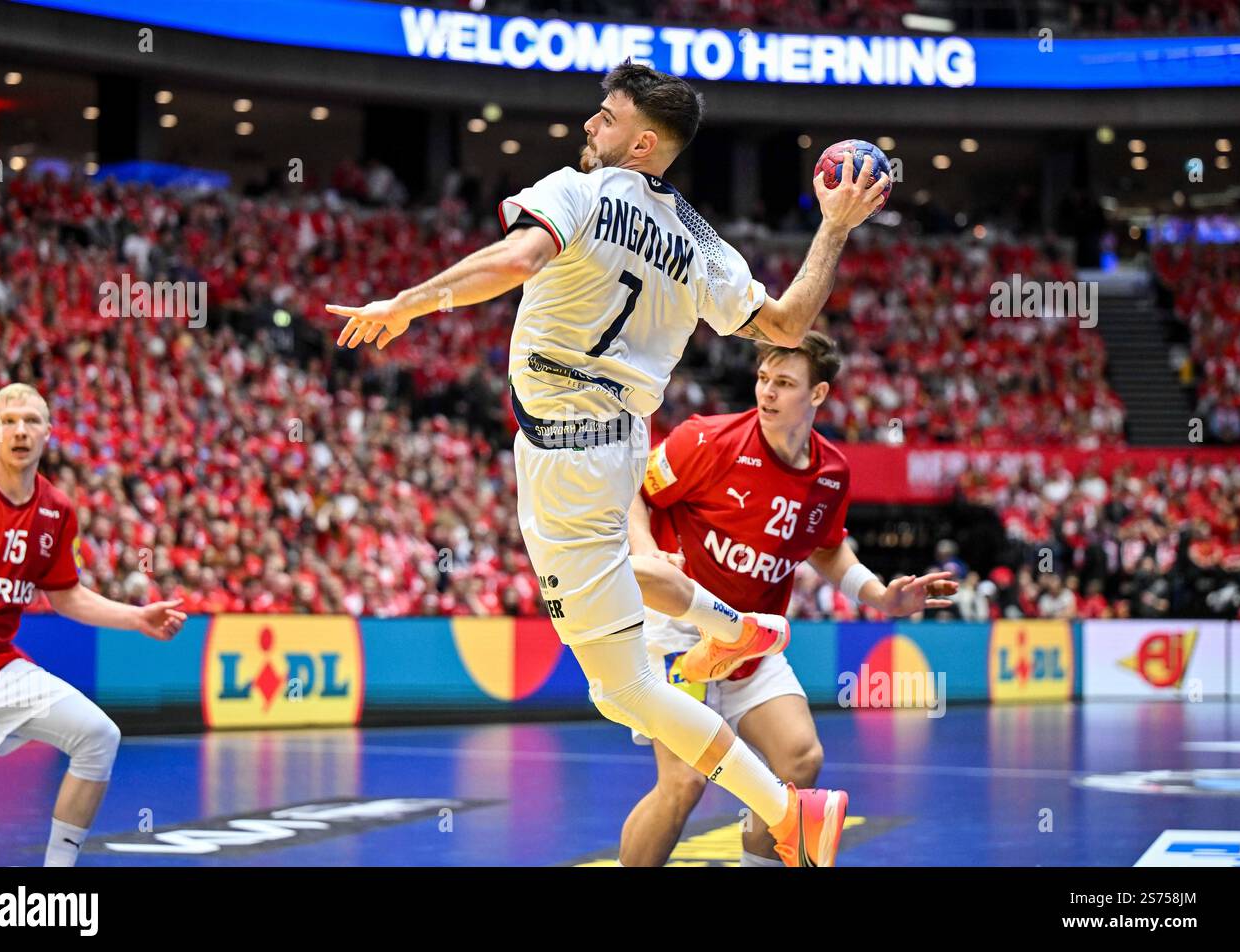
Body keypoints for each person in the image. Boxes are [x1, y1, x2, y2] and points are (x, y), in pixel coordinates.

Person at [330, 62, 887, 866]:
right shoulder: (699, 239)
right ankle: (732, 629)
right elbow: (789, 323)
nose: (590, 124)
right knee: (637, 601)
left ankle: (786, 805)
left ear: (644, 143)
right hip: (620, 446)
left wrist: (405, 304)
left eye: (607, 115)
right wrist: (833, 227)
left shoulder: (579, 191)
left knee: (626, 691)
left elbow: (516, 261)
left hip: (568, 458)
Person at [620, 334, 956, 866]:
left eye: (784, 382)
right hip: (680, 632)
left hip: (751, 638)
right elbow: (634, 491)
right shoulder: (707, 440)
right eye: (763, 379)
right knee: (683, 782)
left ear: (817, 394)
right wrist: (646, 552)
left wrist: (880, 597)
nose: (767, 392)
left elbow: (826, 548)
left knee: (800, 760)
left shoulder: (831, 474)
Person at [0, 384, 185, 866]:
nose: (20, 430)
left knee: (98, 736)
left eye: (31, 421)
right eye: (9, 421)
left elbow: (66, 596)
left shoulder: (56, 511)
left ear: (48, 434)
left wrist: (136, 617)